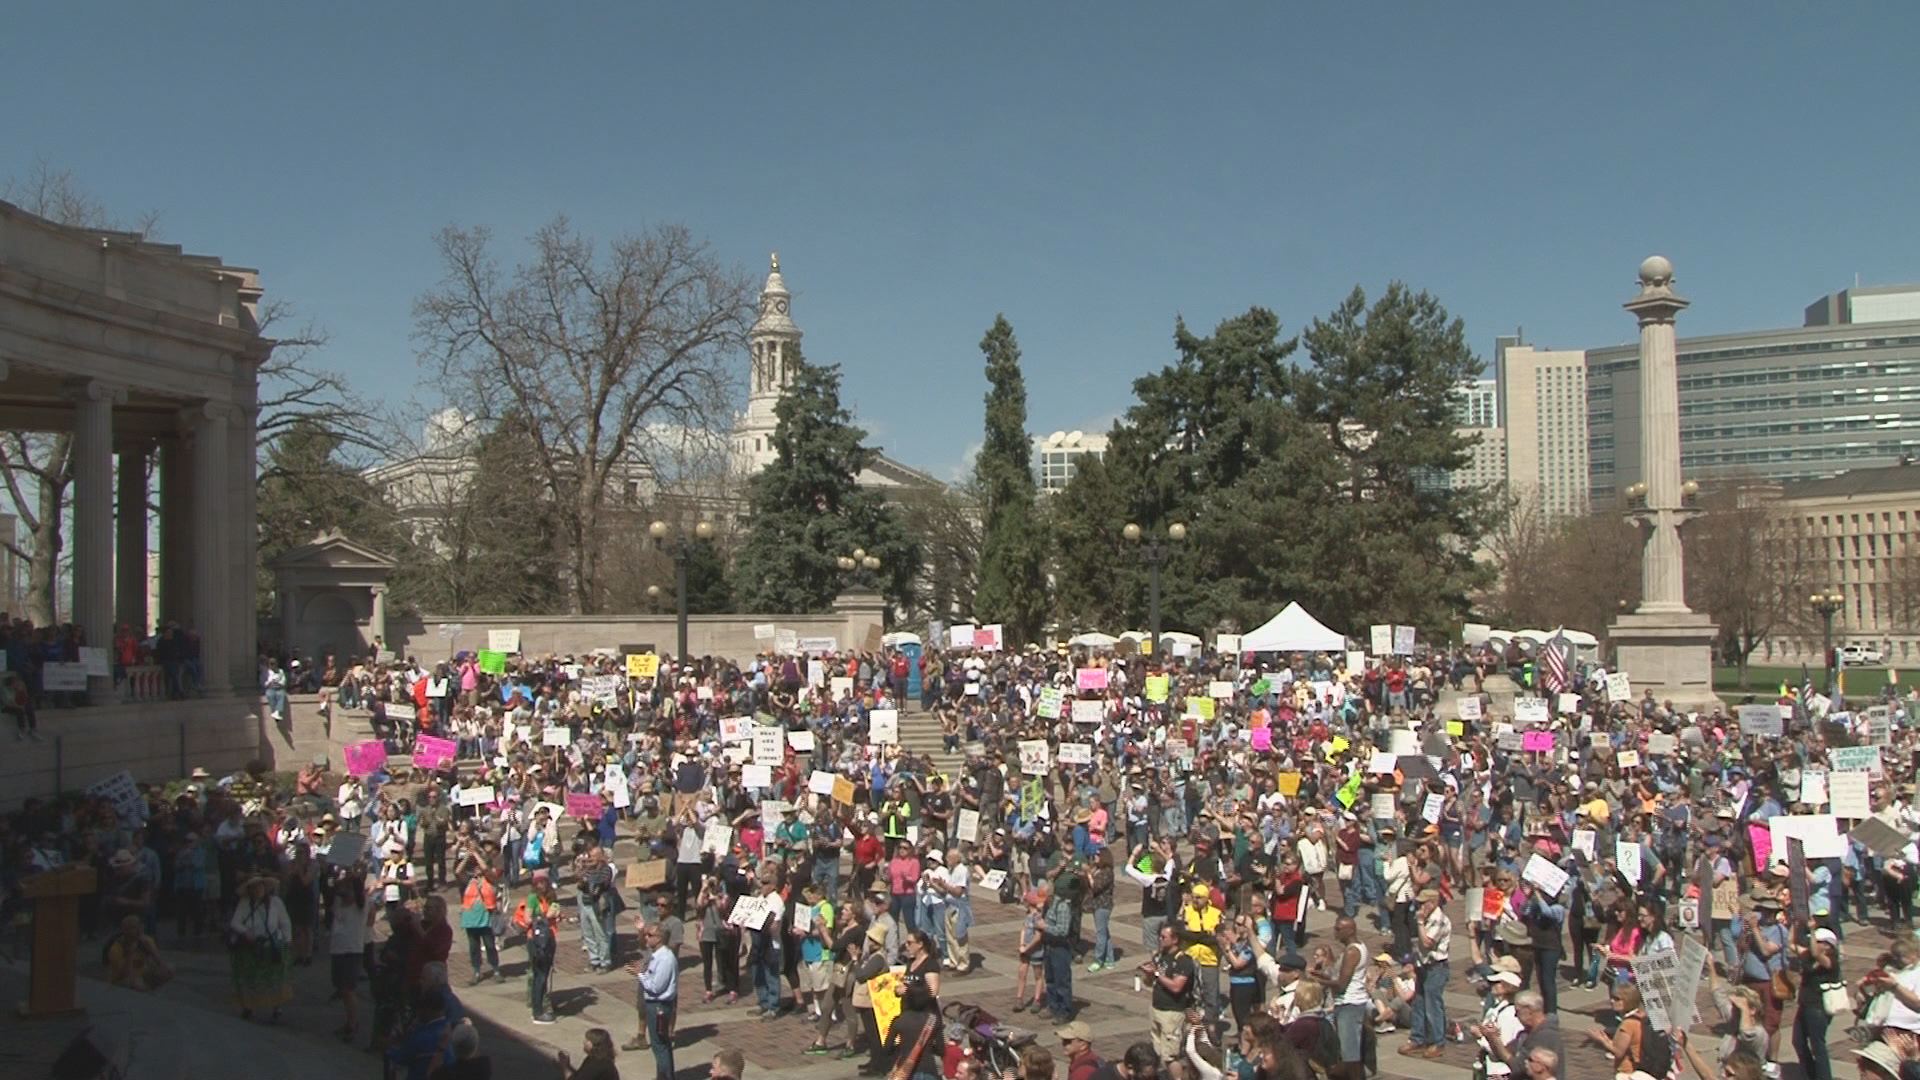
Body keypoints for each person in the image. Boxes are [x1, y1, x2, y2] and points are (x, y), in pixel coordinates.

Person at [228, 872, 293, 1022]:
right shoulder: (245, 903)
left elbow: (285, 923)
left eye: (260, 886)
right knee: (249, 977)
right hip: (251, 946)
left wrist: (287, 941)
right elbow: (235, 922)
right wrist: (246, 933)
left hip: (271, 945)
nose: (257, 890)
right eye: (254, 887)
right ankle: (248, 1006)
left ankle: (277, 1006)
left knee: (274, 978)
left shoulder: (276, 903)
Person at [1141, 922, 1197, 1066]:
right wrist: (1148, 975)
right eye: (1160, 936)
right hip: (1156, 1008)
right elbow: (1149, 982)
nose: (1160, 939)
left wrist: (1157, 974)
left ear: (1175, 939)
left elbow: (1177, 987)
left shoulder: (1183, 960)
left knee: (1170, 1056)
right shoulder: (1160, 956)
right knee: (1156, 1052)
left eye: (1164, 937)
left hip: (1172, 1012)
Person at [1791, 924, 1843, 1080]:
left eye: (1817, 941)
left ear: (1828, 945)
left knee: (1818, 1045)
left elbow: (1816, 952)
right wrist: (1794, 924)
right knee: (1798, 1041)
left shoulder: (1831, 962)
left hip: (1818, 1009)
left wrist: (1812, 930)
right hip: (1805, 1005)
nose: (1812, 943)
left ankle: (1824, 1077)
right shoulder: (1809, 957)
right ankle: (1810, 1074)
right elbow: (1791, 945)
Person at [627, 924, 678, 1080]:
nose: (646, 937)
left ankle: (665, 1076)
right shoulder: (656, 955)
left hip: (658, 1007)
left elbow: (656, 987)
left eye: (649, 935)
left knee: (660, 1046)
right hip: (655, 1006)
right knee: (662, 1045)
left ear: (660, 938)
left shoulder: (665, 959)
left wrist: (640, 974)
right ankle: (663, 1075)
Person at [1404, 887, 1450, 1059]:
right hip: (1422, 965)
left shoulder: (1439, 919)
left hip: (1436, 967)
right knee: (1419, 1002)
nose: (1420, 906)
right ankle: (1418, 1038)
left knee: (1433, 1005)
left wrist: (1421, 922)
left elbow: (1427, 942)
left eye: (1423, 903)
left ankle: (1438, 1042)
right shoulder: (1426, 916)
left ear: (1433, 903)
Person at [330, 873, 376, 1043]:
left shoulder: (361, 906)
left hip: (352, 950)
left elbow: (365, 902)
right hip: (337, 949)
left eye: (348, 889)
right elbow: (335, 890)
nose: (344, 891)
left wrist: (354, 878)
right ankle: (349, 1020)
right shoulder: (339, 903)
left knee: (348, 989)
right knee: (341, 988)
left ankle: (353, 1023)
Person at [515, 870, 561, 1024]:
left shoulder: (552, 897)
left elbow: (556, 914)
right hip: (536, 940)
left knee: (544, 973)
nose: (541, 885)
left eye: (543, 882)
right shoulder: (533, 898)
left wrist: (556, 915)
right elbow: (528, 920)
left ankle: (542, 1004)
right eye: (538, 882)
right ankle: (537, 1011)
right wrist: (544, 916)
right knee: (539, 975)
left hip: (550, 938)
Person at [884, 982, 946, 1080]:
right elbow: (941, 1050)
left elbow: (887, 1049)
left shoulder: (899, 1021)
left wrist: (902, 1048)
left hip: (906, 1070)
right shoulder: (933, 1020)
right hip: (929, 1069)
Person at [459, 863, 503, 984]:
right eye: (475, 867)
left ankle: (496, 970)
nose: (477, 869)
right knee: (474, 947)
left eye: (479, 867)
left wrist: (477, 854)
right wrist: (469, 853)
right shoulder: (468, 880)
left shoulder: (490, 880)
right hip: (470, 919)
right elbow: (458, 871)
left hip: (486, 919)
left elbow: (487, 870)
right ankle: (477, 971)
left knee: (490, 946)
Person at [104, 914, 168, 990]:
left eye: (140, 926)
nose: (139, 930)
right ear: (125, 930)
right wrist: (130, 954)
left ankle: (148, 990)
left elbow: (161, 964)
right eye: (134, 928)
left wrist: (152, 950)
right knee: (135, 983)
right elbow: (124, 974)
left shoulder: (147, 940)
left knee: (168, 970)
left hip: (141, 974)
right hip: (121, 980)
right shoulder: (116, 948)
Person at [558, 1028, 622, 1080]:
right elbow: (580, 1076)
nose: (584, 1042)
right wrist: (568, 1065)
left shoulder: (596, 1064)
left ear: (593, 1045)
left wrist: (565, 1067)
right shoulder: (598, 1059)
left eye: (587, 1040)